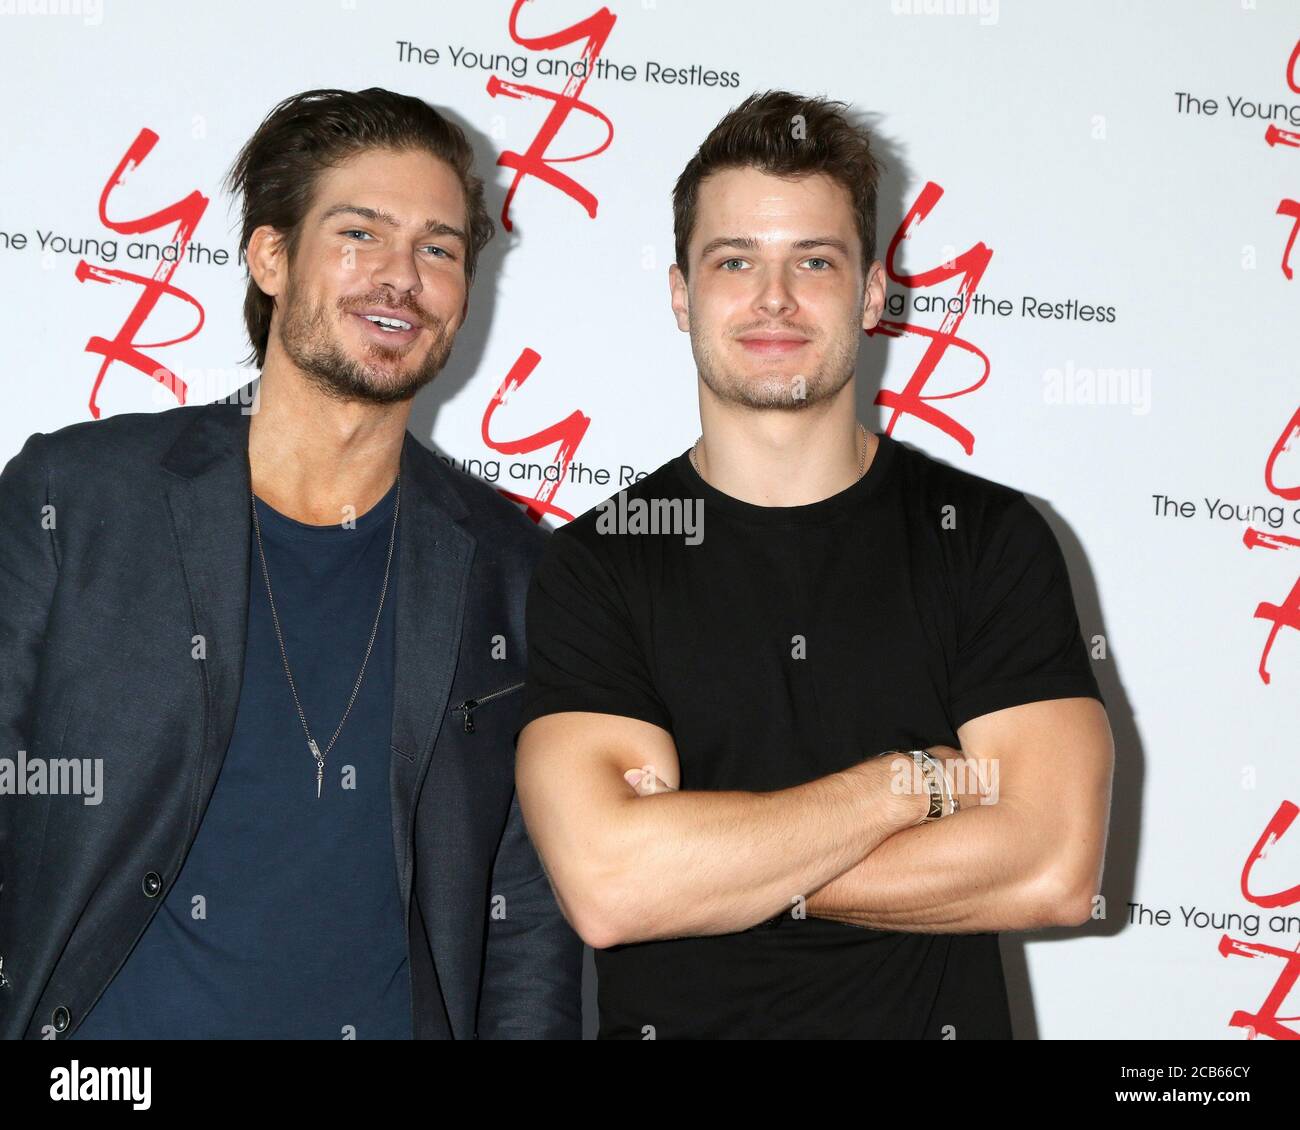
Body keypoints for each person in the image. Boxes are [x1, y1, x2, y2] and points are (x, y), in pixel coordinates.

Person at [515, 90, 1114, 1039]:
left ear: (873, 294)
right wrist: (908, 786)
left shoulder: (987, 538)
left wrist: (714, 864)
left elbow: (1052, 868)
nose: (774, 298)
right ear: (680, 294)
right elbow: (614, 885)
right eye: (734, 260)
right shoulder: (599, 563)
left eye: (815, 261)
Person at [0, 87, 580, 1040]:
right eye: (359, 234)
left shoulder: (511, 570)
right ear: (270, 256)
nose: (401, 278)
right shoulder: (80, 499)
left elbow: (525, 921)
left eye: (438, 249)